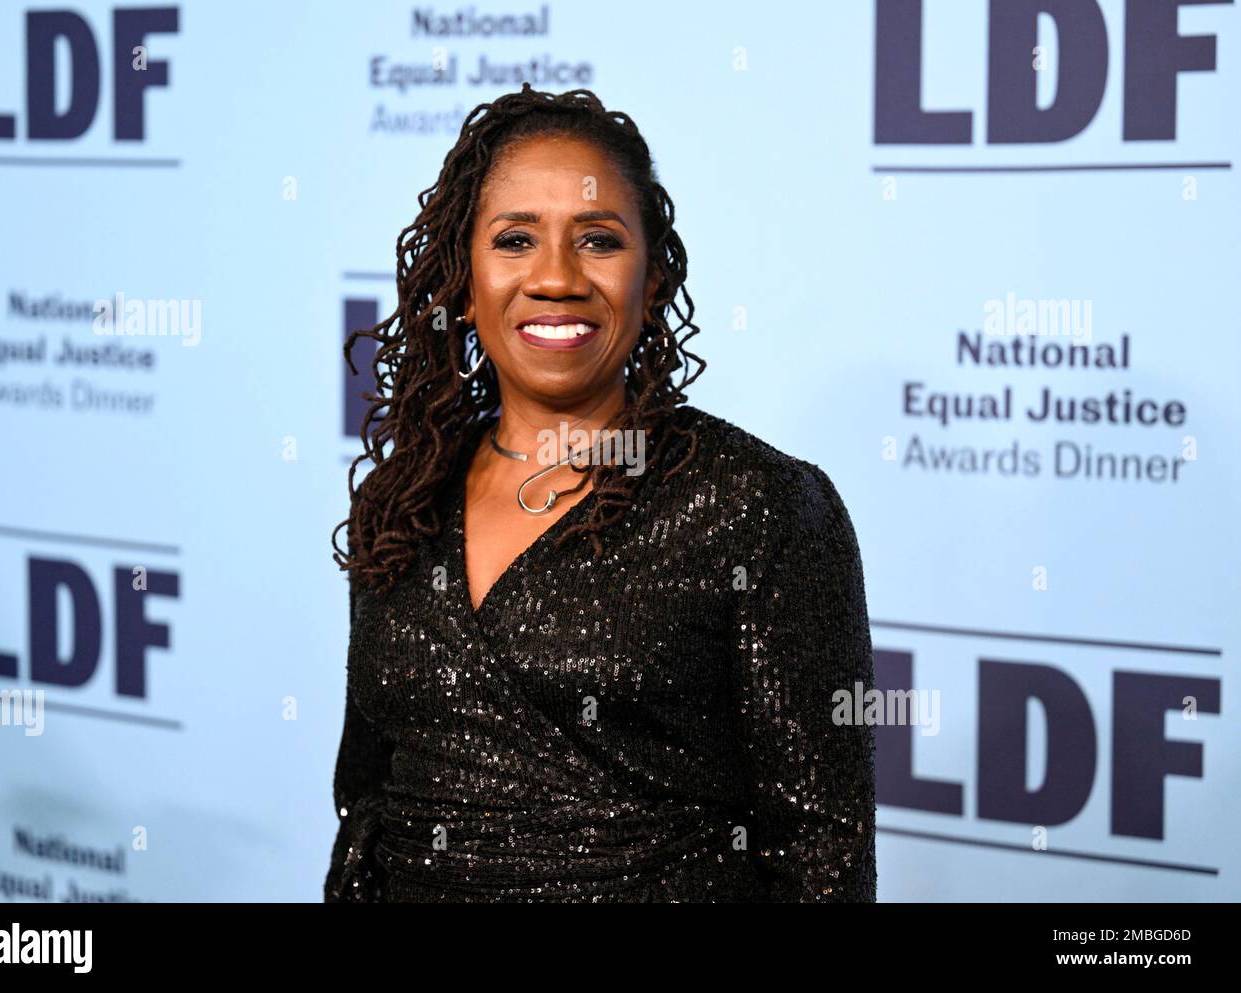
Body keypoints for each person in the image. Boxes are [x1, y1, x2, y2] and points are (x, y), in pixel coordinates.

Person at [325, 84, 876, 902]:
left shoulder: (758, 505)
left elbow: (823, 857)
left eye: (598, 241)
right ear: (464, 282)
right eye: (515, 239)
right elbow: (365, 798)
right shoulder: (403, 497)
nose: (555, 278)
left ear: (651, 279)